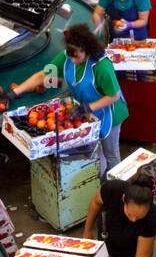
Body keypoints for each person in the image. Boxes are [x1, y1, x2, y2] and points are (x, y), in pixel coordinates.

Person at [8, 24, 128, 175]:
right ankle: (100, 183)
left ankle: (118, 186)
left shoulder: (101, 66)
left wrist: (88, 108)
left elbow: (114, 95)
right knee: (95, 152)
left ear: (87, 49)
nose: (72, 59)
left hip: (110, 113)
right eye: (70, 54)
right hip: (87, 113)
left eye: (76, 55)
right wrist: (14, 93)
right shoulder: (67, 57)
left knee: (111, 153)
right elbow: (43, 75)